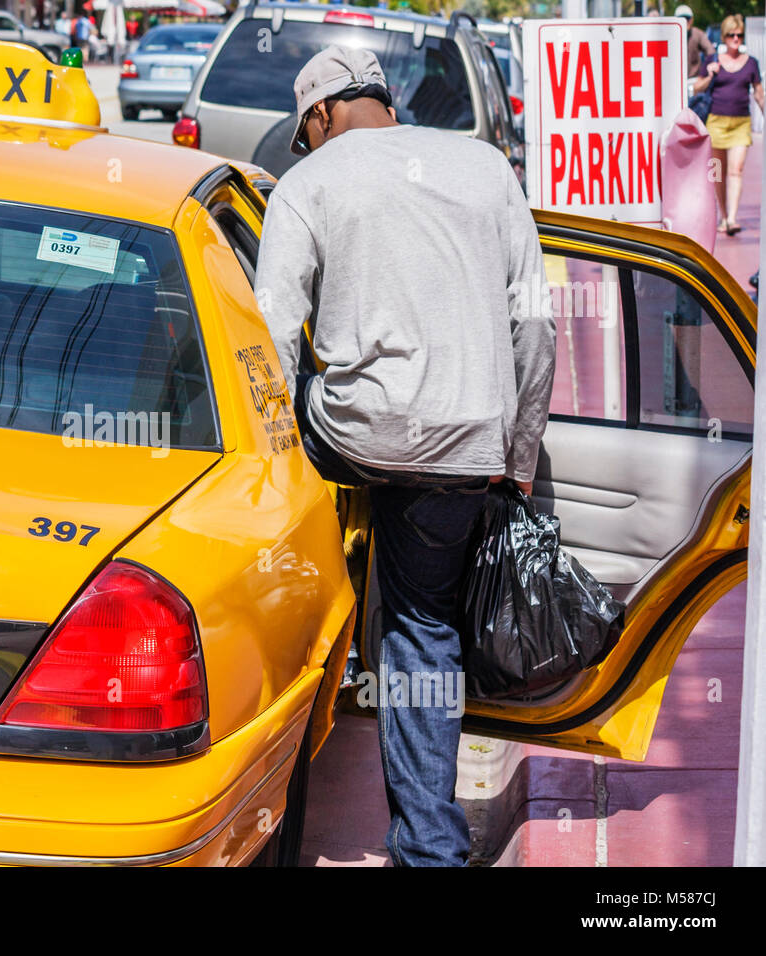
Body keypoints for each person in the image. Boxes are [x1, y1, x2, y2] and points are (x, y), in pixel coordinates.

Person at [254, 45, 554, 867]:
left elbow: (272, 338)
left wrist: (269, 469)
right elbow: (535, 326)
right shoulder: (486, 166)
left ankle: (329, 607)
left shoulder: (308, 185)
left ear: (318, 117)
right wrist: (518, 459)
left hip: (359, 436)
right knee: (425, 630)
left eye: (308, 133)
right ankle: (428, 848)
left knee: (318, 405)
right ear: (384, 100)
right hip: (467, 443)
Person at [693, 13, 765, 235]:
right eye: (732, 35)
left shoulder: (751, 62)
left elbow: (759, 93)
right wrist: (709, 75)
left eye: (740, 35)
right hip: (716, 122)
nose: (736, 39)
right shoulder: (712, 61)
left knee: (736, 170)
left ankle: (732, 218)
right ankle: (723, 216)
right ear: (724, 37)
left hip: (741, 123)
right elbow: (697, 88)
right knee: (718, 173)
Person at [676, 4, 715, 79]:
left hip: (693, 80)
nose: (685, 21)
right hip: (676, 80)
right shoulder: (671, 37)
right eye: (681, 18)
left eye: (687, 18)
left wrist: (704, 72)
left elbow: (711, 52)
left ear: (692, 19)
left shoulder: (698, 34)